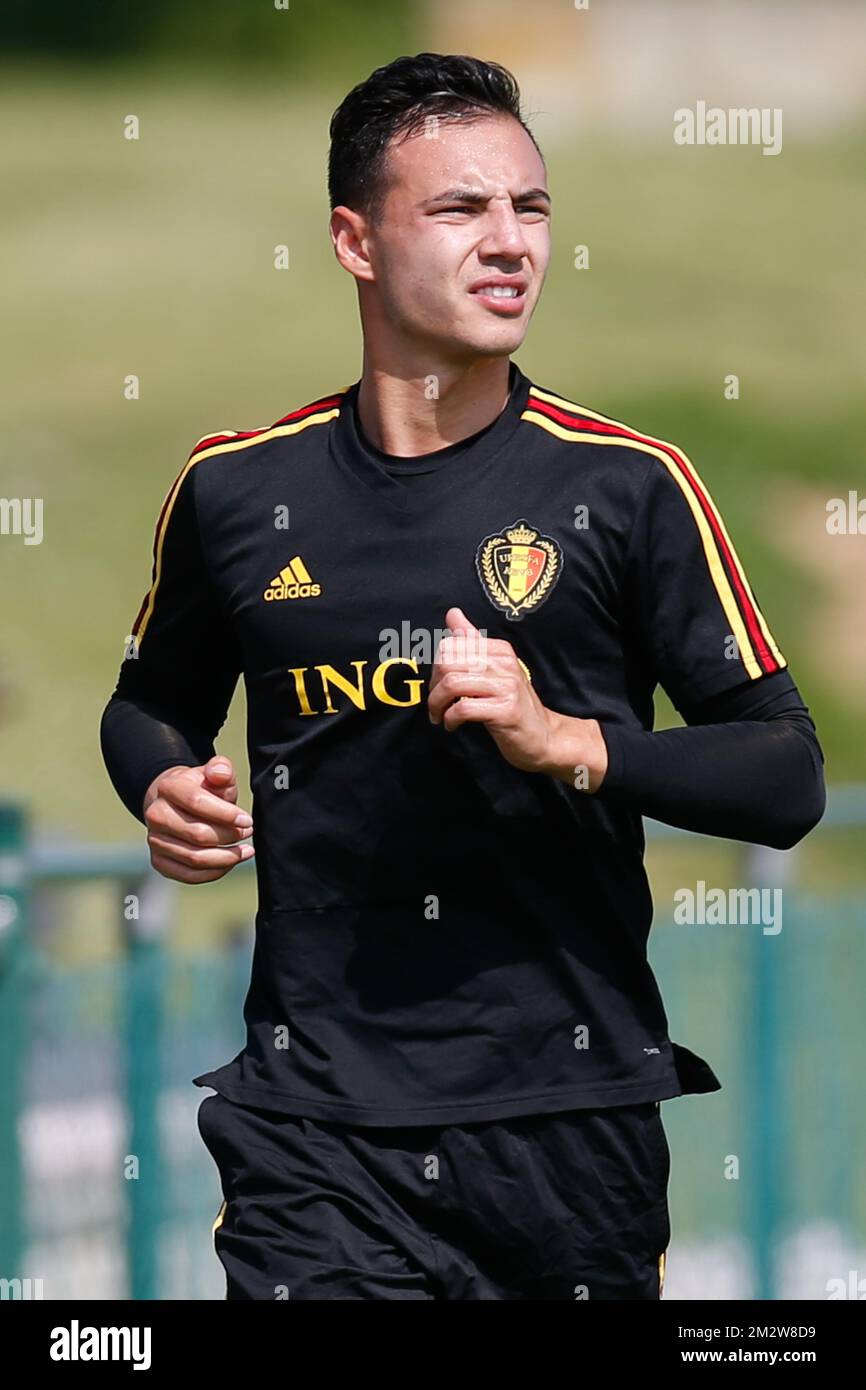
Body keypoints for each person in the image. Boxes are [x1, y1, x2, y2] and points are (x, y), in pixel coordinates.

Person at [100, 52, 825, 1300]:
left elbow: (784, 772)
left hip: (564, 1123)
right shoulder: (235, 489)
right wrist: (162, 782)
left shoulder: (626, 486)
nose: (509, 243)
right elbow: (148, 705)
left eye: (528, 209)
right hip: (311, 1124)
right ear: (354, 239)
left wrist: (570, 741)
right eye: (458, 208)